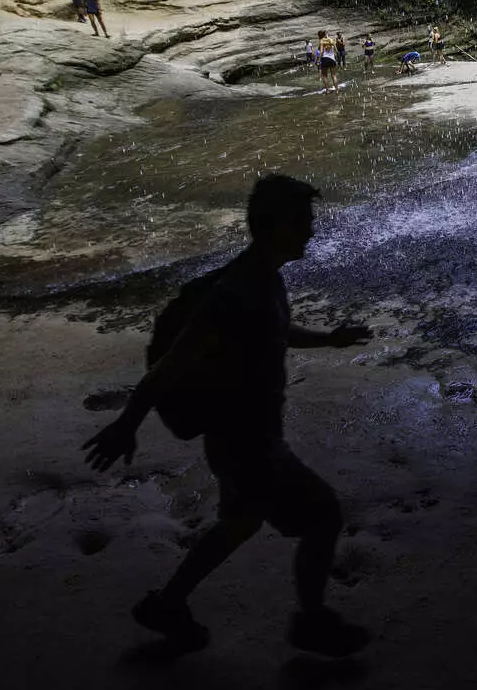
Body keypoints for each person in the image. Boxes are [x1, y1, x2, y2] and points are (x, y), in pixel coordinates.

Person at [82, 175, 374, 656]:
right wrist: (126, 424)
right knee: (323, 514)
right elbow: (170, 365)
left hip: (242, 438)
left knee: (240, 522)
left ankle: (167, 605)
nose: (311, 232)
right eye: (302, 222)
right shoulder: (234, 294)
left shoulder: (265, 280)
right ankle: (312, 622)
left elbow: (277, 332)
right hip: (246, 443)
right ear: (276, 226)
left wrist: (329, 339)